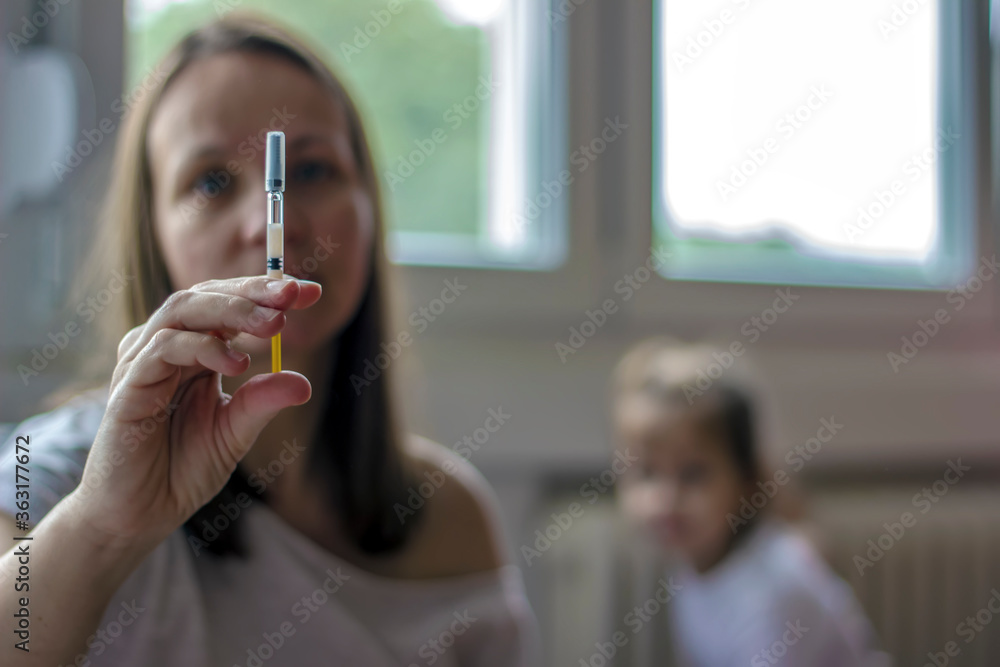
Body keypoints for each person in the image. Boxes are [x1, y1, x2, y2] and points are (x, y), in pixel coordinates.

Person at [0, 15, 538, 667]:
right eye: (211, 182)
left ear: (369, 208)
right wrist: (101, 527)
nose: (270, 226)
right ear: (154, 235)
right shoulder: (45, 463)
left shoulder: (451, 515)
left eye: (311, 169)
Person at [611, 337, 890, 667]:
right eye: (647, 473)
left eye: (693, 474)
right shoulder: (694, 561)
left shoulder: (772, 592)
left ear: (747, 480)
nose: (666, 499)